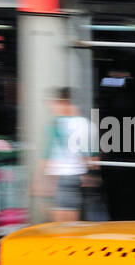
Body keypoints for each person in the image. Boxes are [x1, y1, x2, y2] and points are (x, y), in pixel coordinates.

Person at [34, 89, 94, 222]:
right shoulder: (87, 124)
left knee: (60, 226)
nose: (52, 107)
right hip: (77, 178)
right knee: (72, 222)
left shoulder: (56, 124)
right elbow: (93, 159)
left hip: (60, 178)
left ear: (65, 103)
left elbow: (46, 158)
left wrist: (39, 183)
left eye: (54, 103)